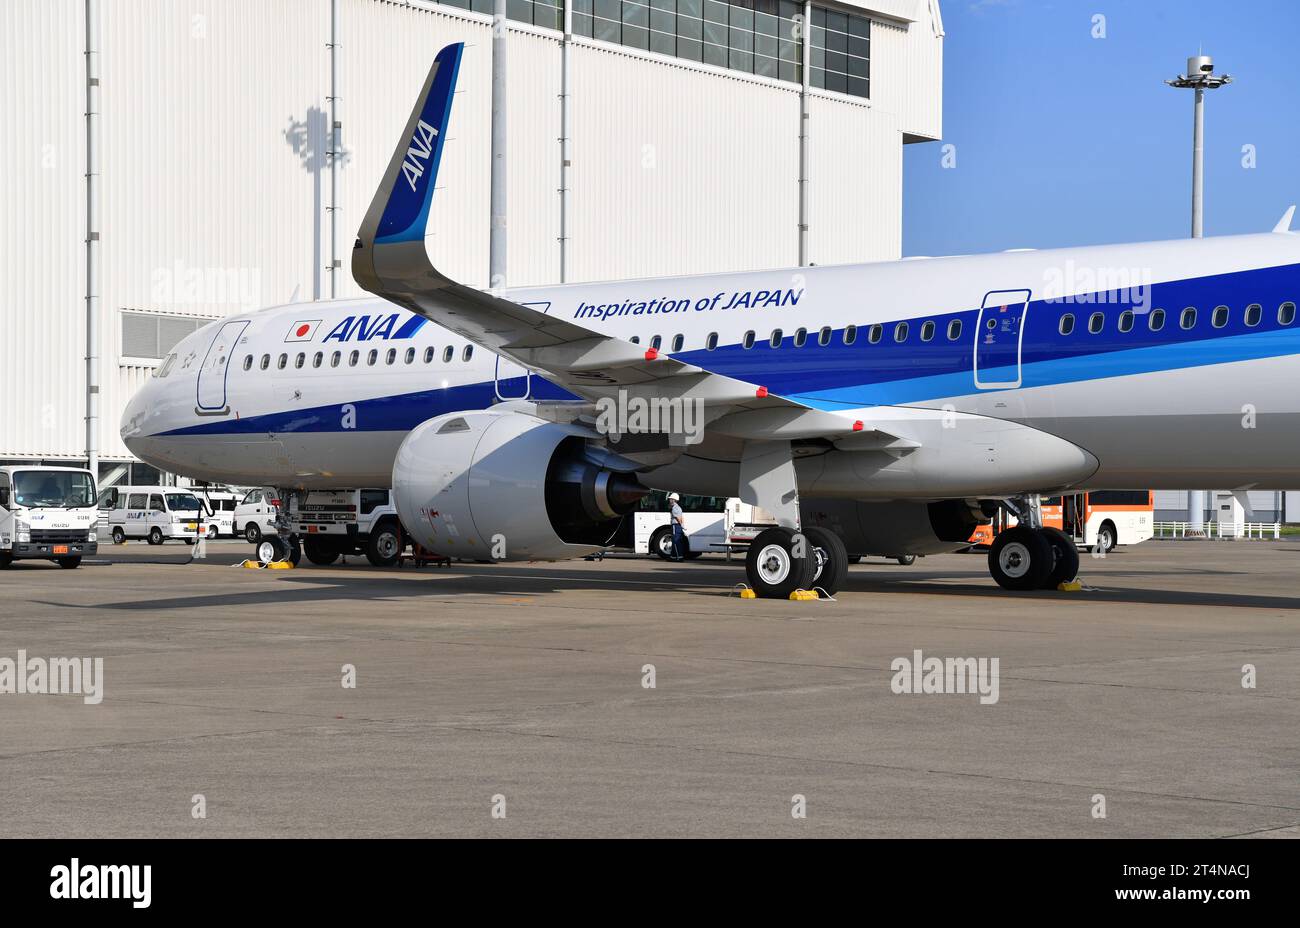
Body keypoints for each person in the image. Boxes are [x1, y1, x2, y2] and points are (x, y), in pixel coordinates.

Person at [667, 492, 685, 561]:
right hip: (678, 525)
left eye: (671, 499)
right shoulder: (678, 507)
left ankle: (679, 557)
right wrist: (682, 525)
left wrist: (680, 524)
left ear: (674, 500)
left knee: (675, 541)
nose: (670, 500)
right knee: (677, 541)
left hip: (675, 525)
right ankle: (673, 556)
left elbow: (677, 518)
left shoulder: (674, 508)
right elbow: (681, 517)